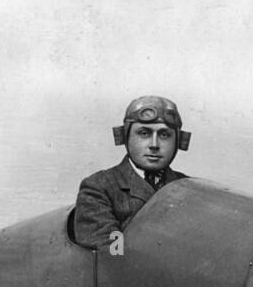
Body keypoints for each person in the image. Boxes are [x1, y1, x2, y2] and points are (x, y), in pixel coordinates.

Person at [72, 95, 191, 249]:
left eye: (164, 135)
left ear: (179, 141)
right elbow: (111, 252)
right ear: (125, 137)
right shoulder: (98, 187)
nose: (154, 145)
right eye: (144, 133)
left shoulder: (189, 189)